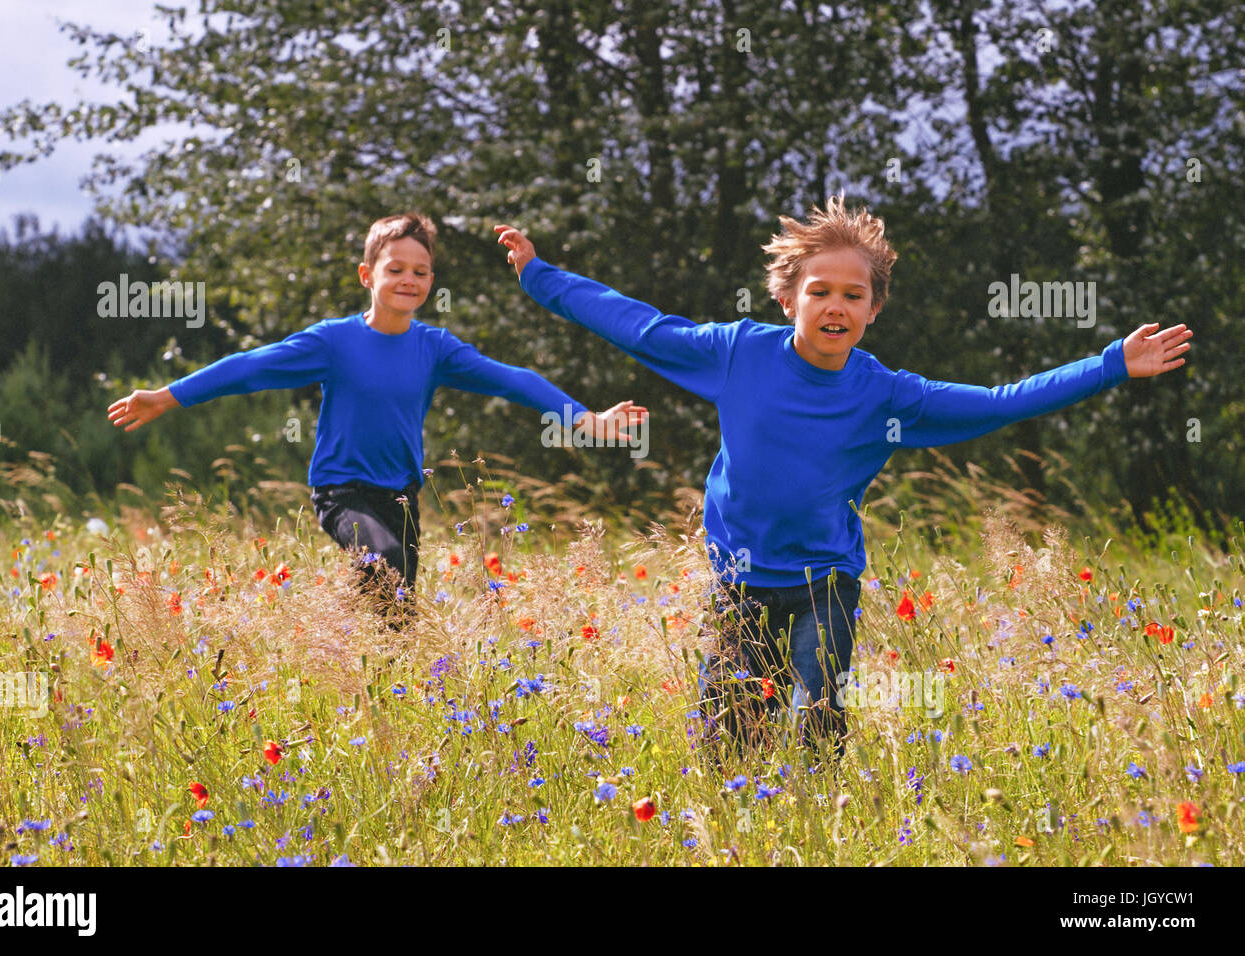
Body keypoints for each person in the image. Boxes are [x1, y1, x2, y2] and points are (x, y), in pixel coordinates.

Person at [493, 198, 1192, 762]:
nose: (835, 306)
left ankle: (819, 823)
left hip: (825, 580)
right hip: (739, 579)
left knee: (817, 715)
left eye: (852, 295)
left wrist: (1108, 366)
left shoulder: (887, 395)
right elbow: (637, 326)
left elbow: (1000, 401)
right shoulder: (736, 353)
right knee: (730, 740)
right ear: (788, 297)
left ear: (873, 309)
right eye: (819, 291)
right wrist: (540, 277)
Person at [109, 212, 646, 616]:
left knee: (398, 607)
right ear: (368, 275)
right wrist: (167, 396)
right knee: (380, 561)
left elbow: (515, 379)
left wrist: (586, 418)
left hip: (401, 497)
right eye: (396, 269)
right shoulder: (333, 341)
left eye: (421, 271)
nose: (409, 280)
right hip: (342, 491)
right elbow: (250, 367)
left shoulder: (436, 349)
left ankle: (371, 676)